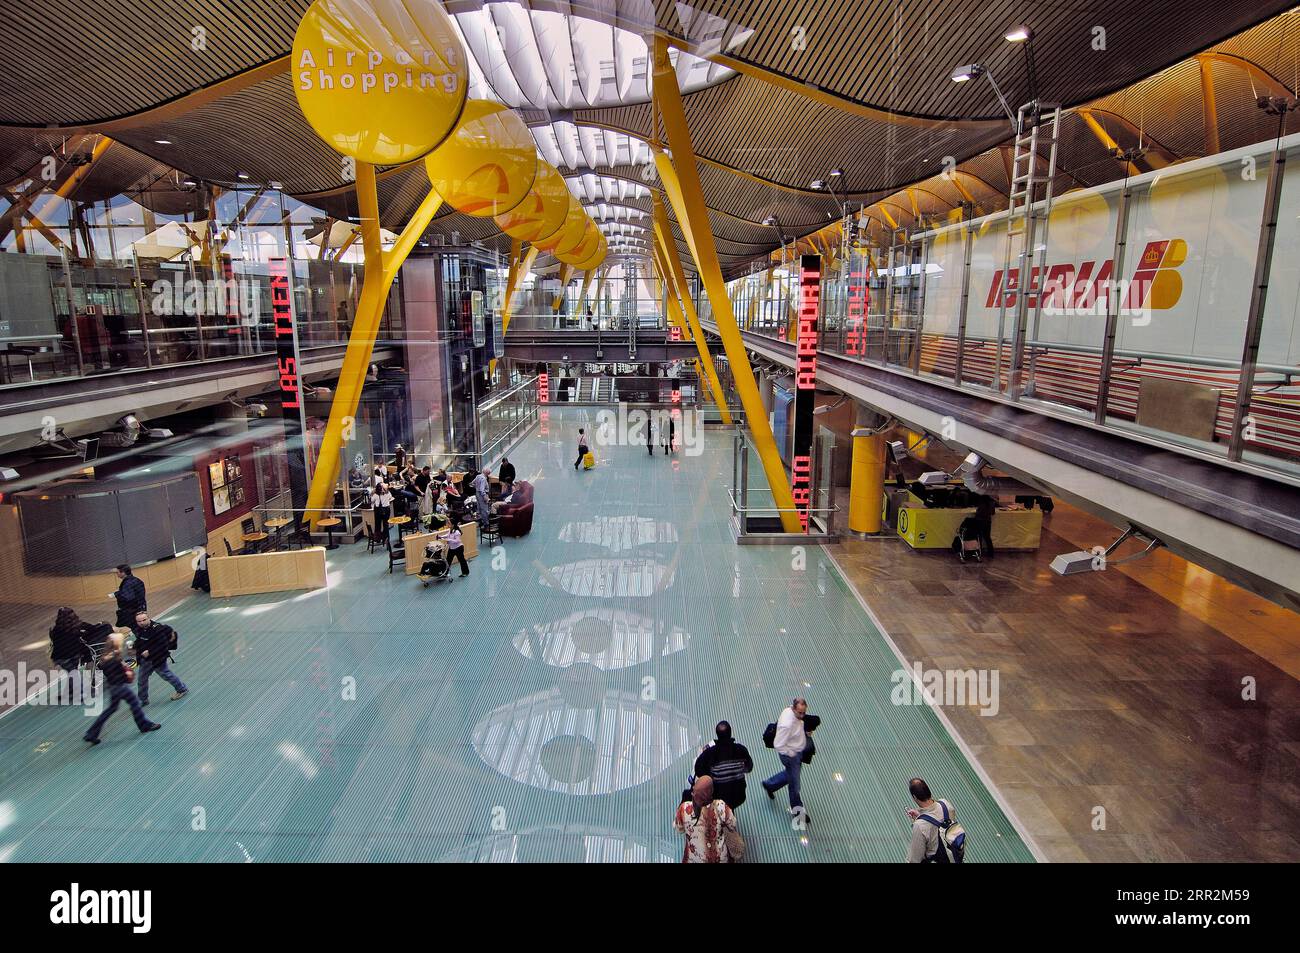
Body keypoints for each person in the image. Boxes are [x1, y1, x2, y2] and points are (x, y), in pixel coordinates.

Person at [83, 638, 161, 745]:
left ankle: (91, 733)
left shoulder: (103, 660)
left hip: (113, 687)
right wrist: (126, 670)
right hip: (121, 687)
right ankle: (144, 725)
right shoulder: (115, 659)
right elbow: (125, 674)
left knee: (111, 709)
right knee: (135, 704)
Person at [761, 697, 810, 820]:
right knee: (794, 784)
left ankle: (770, 784)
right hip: (790, 756)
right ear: (793, 709)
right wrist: (791, 753)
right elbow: (778, 744)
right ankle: (798, 811)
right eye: (800, 712)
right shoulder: (787, 725)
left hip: (796, 750)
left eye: (804, 712)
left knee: (791, 775)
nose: (802, 715)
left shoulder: (790, 711)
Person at [674, 776, 737, 863]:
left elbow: (679, 829)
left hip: (694, 859)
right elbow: (732, 825)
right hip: (719, 859)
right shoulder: (720, 806)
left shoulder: (684, 809)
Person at [693, 721, 754, 810]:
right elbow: (749, 768)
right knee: (730, 807)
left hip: (717, 798)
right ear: (730, 733)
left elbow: (698, 770)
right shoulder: (741, 750)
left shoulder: (709, 753)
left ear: (717, 734)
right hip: (739, 796)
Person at [132, 610, 188, 706]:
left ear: (148, 618)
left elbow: (163, 645)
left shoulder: (158, 630)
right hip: (145, 660)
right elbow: (140, 641)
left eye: (144, 620)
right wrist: (134, 647)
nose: (141, 623)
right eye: (139, 621)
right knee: (142, 680)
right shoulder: (139, 629)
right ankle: (143, 700)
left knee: (166, 675)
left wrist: (150, 651)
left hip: (157, 659)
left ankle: (182, 689)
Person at [49, 607, 101, 695]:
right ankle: (81, 693)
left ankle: (71, 690)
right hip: (74, 655)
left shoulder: (56, 630)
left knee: (72, 673)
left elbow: (55, 641)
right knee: (74, 674)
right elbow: (92, 629)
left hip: (61, 657)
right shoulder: (78, 626)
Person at [906, 778, 959, 863]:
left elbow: (914, 860)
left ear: (914, 797)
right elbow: (940, 825)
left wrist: (920, 820)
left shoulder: (920, 826)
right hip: (955, 858)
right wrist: (921, 816)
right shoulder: (946, 805)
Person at [111, 564, 146, 628]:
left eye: (117, 572)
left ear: (123, 573)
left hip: (131, 612)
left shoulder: (127, 583)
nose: (117, 574)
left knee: (123, 628)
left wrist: (116, 594)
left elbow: (128, 598)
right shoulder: (137, 580)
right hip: (140, 608)